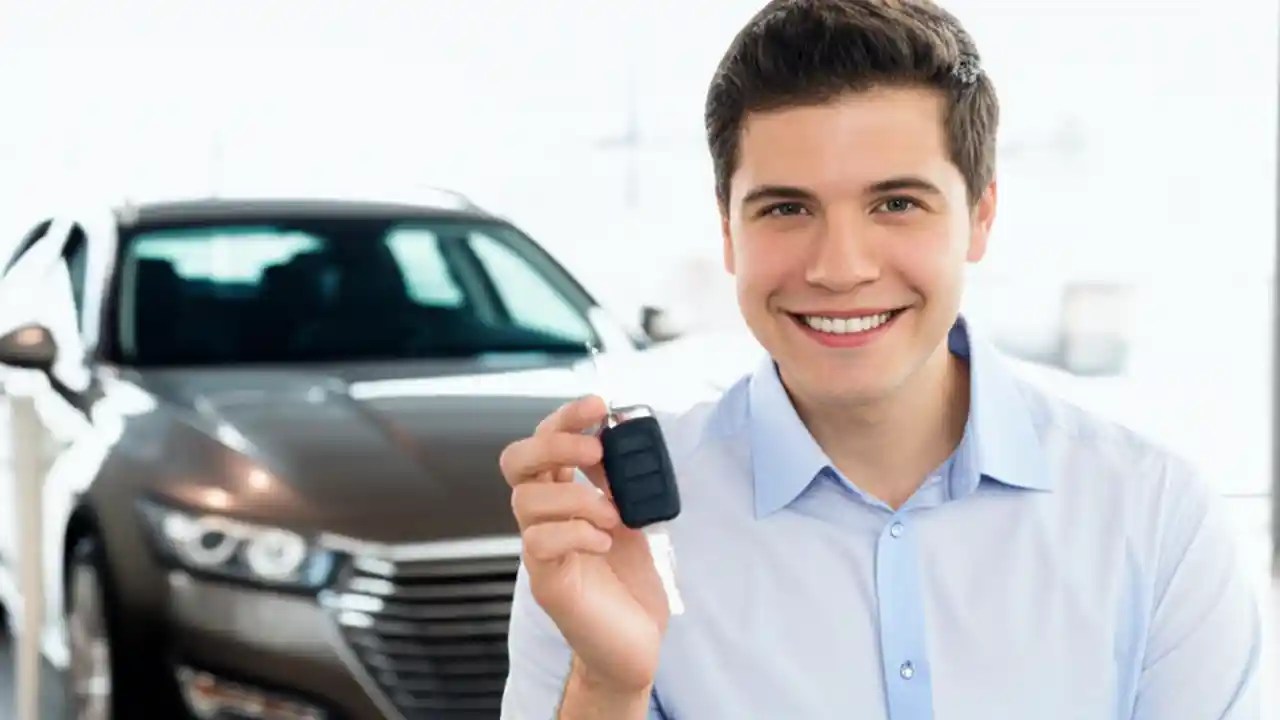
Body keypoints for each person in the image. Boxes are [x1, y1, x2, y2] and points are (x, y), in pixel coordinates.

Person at [497, 1, 1263, 718]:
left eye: (896, 203)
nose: (839, 266)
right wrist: (607, 686)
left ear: (980, 217)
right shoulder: (606, 538)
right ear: (728, 232)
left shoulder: (1152, 517)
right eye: (786, 208)